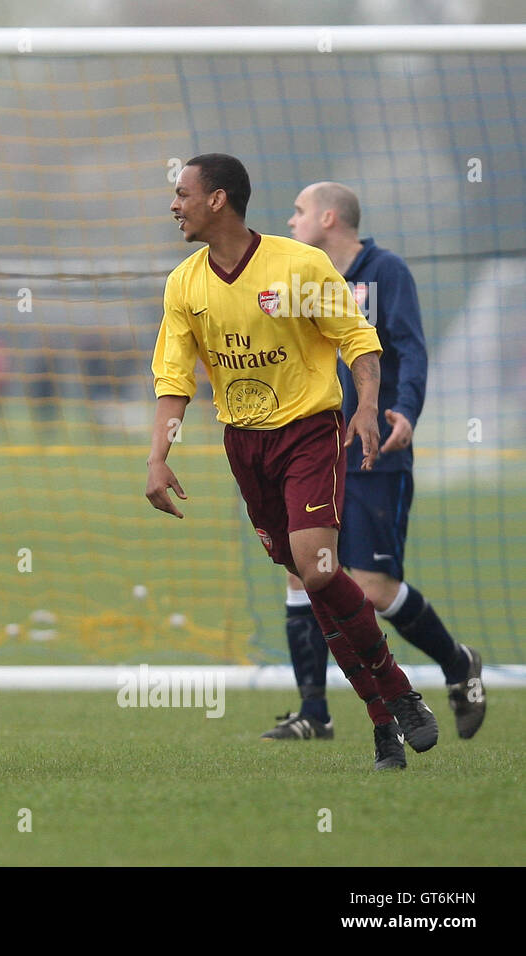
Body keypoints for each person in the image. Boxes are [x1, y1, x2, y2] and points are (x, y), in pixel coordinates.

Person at [145, 153, 439, 771]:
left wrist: (366, 407)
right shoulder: (184, 284)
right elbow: (175, 377)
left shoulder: (299, 265)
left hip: (308, 433)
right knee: (315, 583)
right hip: (244, 446)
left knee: (318, 566)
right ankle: (386, 714)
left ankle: (402, 695)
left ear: (218, 199)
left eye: (182, 193)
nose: (174, 205)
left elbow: (359, 339)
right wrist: (158, 454)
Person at [260, 182, 484, 742]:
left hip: (375, 452)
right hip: (316, 448)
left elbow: (410, 348)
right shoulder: (304, 280)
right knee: (301, 570)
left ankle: (458, 664)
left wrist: (404, 411)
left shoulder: (385, 273)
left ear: (329, 217)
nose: (290, 221)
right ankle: (315, 712)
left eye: (299, 211)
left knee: (374, 588)